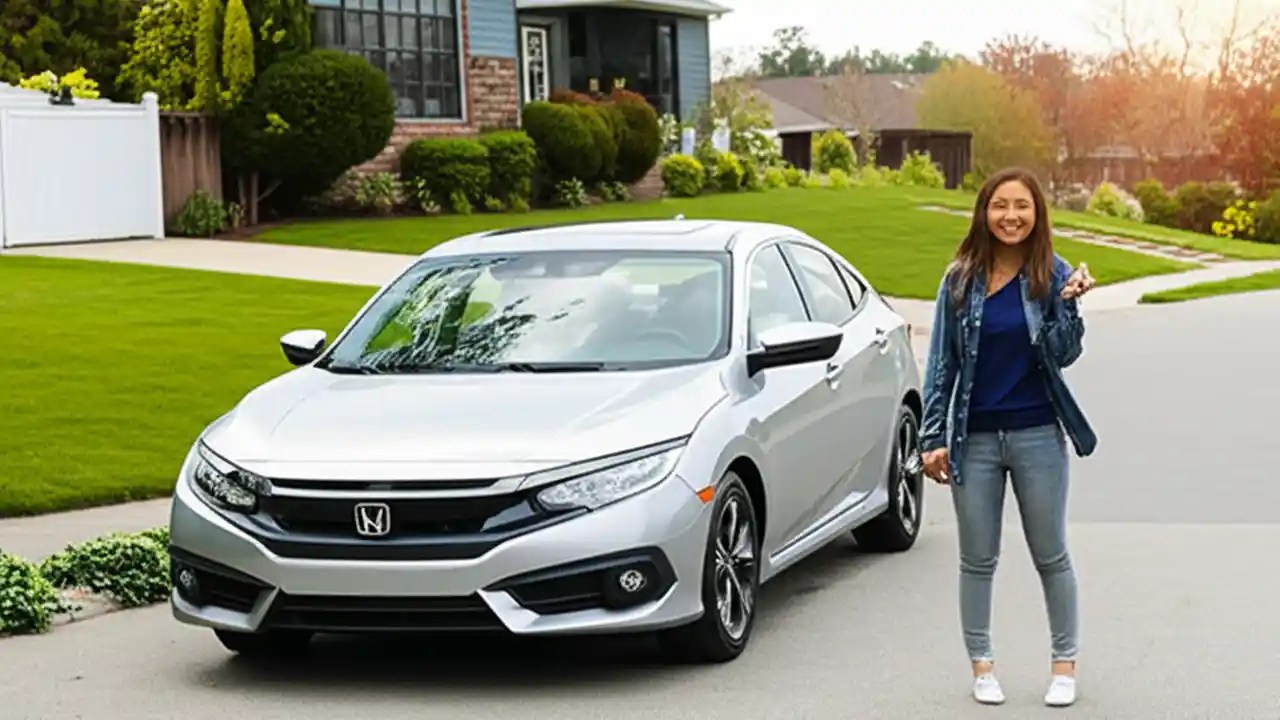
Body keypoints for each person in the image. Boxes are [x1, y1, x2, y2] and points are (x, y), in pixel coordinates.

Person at [919, 167, 1098, 708]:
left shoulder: (1053, 272)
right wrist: (931, 437)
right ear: (984, 211)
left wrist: (1069, 303)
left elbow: (1064, 354)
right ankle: (982, 666)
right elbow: (940, 368)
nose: (1011, 215)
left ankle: (1064, 667)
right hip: (973, 441)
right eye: (1001, 205)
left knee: (1051, 554)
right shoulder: (959, 281)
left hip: (1038, 434)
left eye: (1022, 206)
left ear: (1037, 213)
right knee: (977, 559)